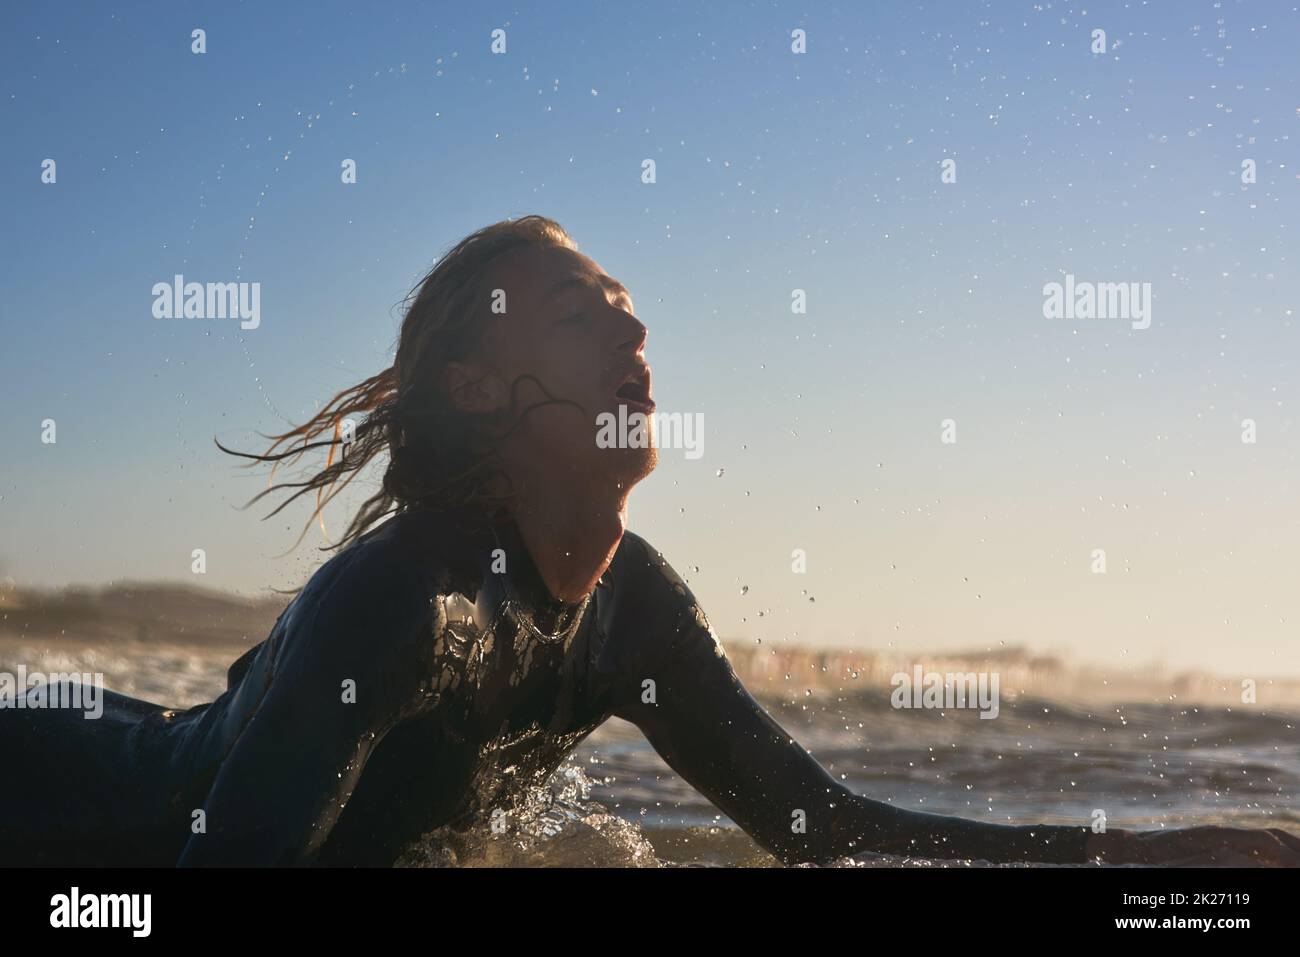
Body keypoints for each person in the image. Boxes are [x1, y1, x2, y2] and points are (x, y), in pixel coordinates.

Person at [2, 216, 1297, 868]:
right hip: (60, 794)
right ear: (475, 386)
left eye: (627, 308)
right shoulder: (398, 603)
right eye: (580, 315)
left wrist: (1160, 861)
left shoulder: (633, 612)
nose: (633, 337)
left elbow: (827, 831)